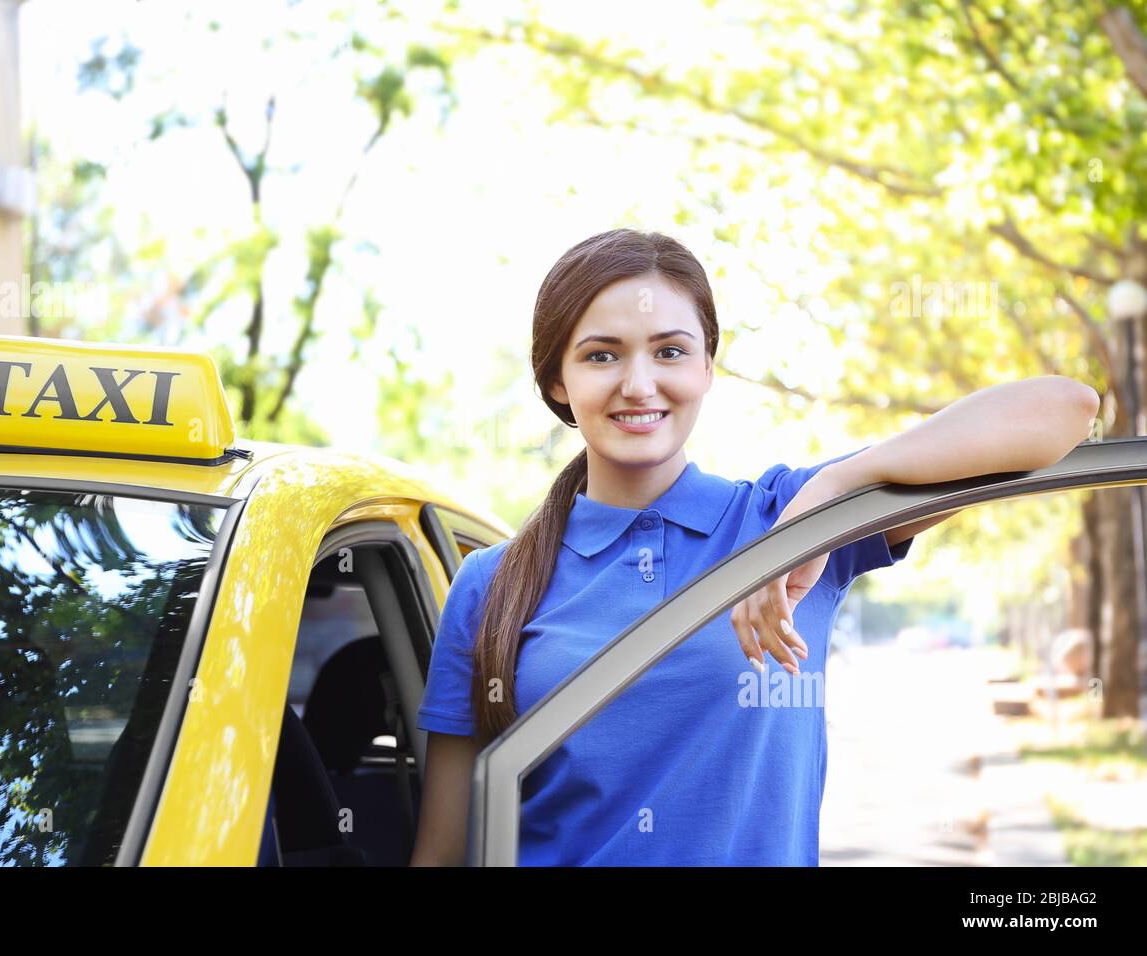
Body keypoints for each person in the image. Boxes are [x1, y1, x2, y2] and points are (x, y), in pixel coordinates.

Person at [407, 227, 1101, 866]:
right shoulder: (490, 584)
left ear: (709, 367)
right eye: (601, 355)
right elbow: (442, 853)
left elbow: (1064, 409)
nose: (639, 384)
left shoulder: (786, 518)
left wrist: (837, 486)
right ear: (559, 380)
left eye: (670, 351)